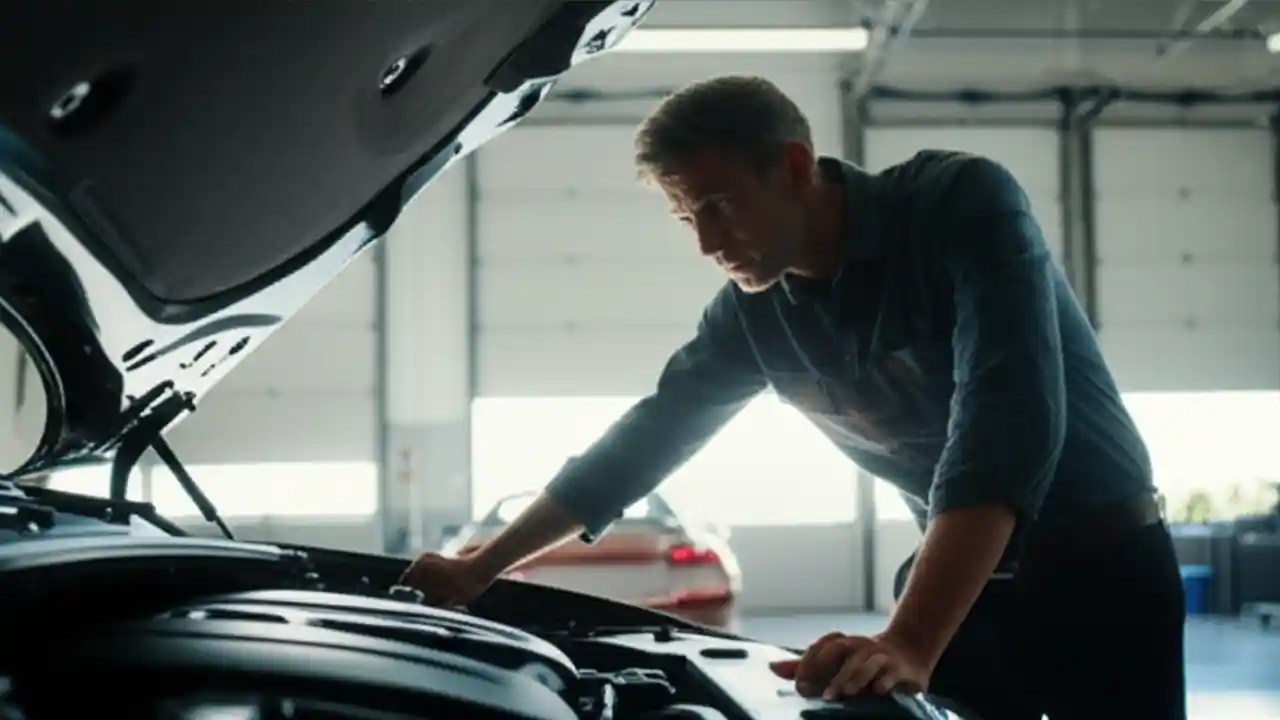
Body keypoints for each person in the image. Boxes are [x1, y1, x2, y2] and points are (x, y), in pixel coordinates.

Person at [400, 75, 1187, 719]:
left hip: (1104, 576)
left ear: (794, 167)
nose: (707, 244)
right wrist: (483, 565)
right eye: (685, 218)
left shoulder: (962, 206)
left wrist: (910, 636)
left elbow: (1006, 425)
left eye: (718, 206)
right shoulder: (750, 317)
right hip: (965, 595)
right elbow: (641, 442)